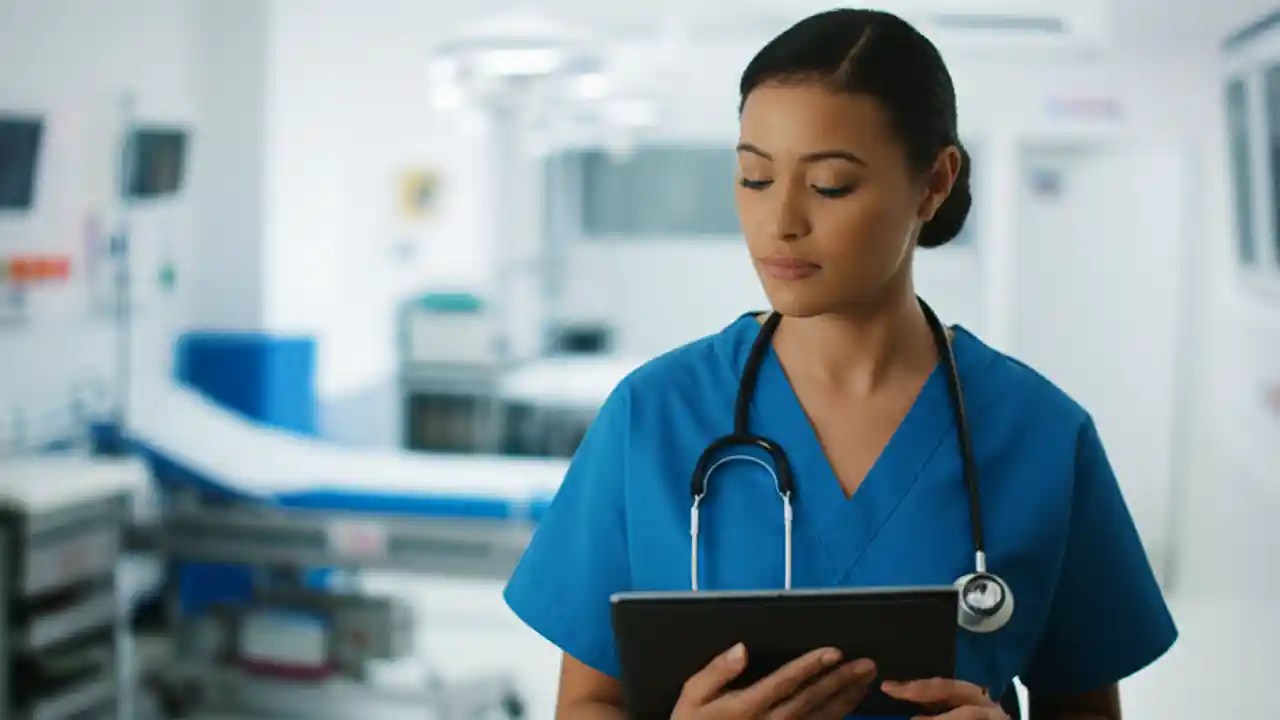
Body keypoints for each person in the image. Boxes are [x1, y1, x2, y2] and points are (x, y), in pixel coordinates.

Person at [503, 8, 1177, 719]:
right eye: (755, 178)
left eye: (829, 185)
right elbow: (586, 704)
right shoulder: (653, 415)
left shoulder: (1041, 435)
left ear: (934, 182)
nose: (781, 222)